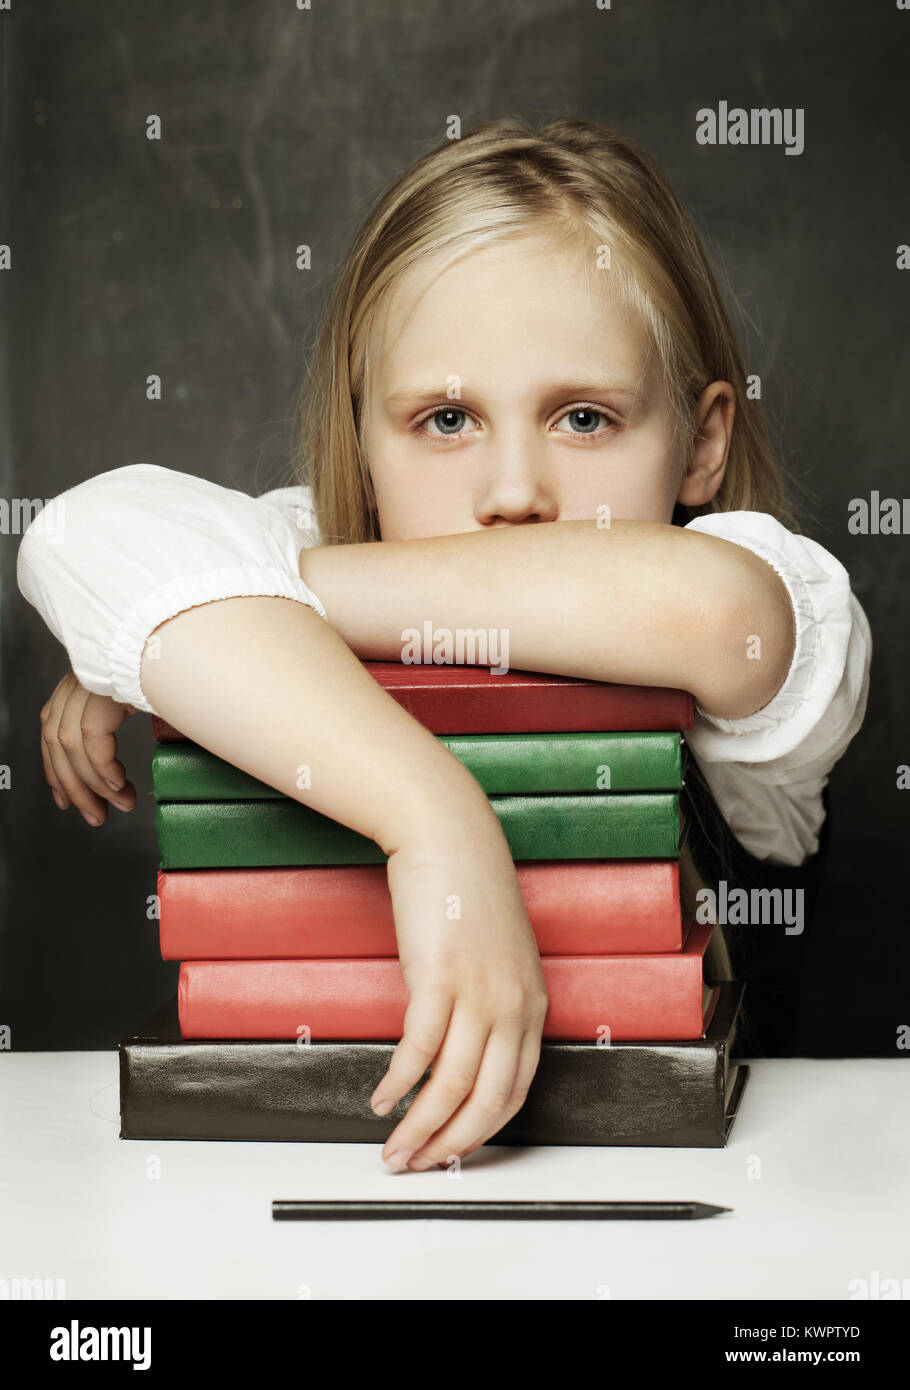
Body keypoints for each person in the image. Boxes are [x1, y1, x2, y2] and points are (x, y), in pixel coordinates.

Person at [17, 116, 871, 1170]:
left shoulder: (769, 591)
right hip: (318, 1173)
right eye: (446, 421)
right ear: (363, 441)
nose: (514, 493)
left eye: (585, 418)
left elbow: (714, 617)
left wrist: (197, 616)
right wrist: (434, 818)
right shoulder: (304, 550)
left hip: (704, 1188)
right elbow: (84, 528)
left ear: (700, 444)